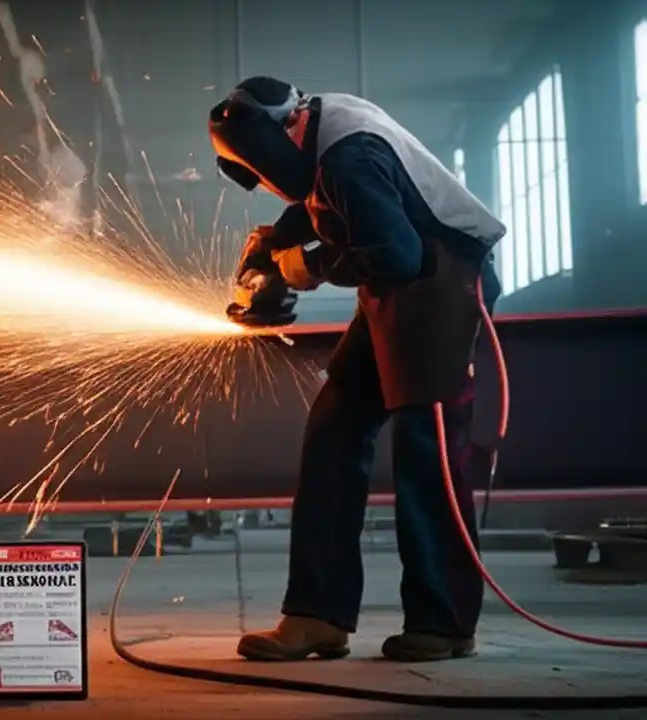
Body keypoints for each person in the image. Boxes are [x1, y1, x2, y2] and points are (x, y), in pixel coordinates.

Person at [207, 76, 505, 662]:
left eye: (263, 170)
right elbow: (329, 204)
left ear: (280, 134)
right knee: (334, 430)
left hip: (442, 282)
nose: (268, 182)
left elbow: (397, 251)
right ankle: (317, 615)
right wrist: (275, 242)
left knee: (427, 447)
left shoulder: (348, 155)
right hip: (395, 289)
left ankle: (443, 622)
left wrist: (305, 268)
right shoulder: (320, 128)